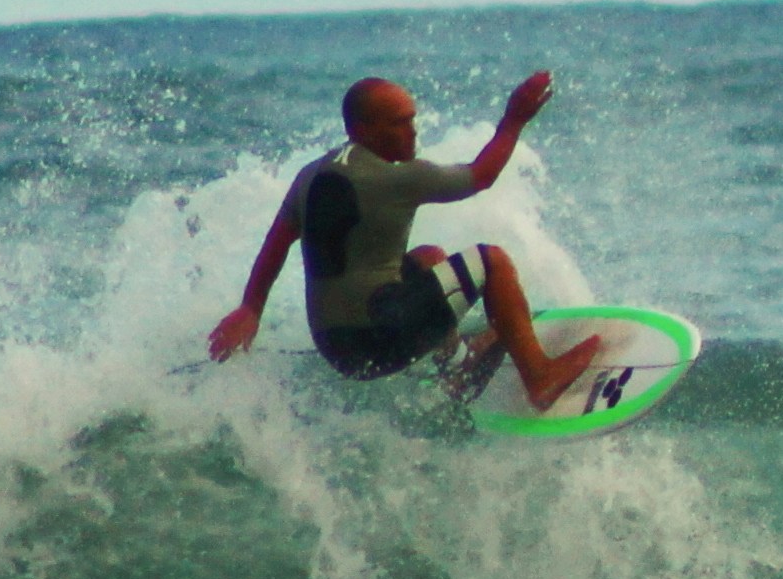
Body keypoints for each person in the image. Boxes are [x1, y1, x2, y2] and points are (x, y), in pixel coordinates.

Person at [207, 71, 610, 408]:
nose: (413, 130)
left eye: (412, 118)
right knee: (492, 262)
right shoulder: (397, 177)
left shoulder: (310, 174)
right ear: (363, 130)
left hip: (336, 347)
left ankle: (457, 366)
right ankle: (540, 378)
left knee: (430, 258)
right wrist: (515, 118)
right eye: (399, 123)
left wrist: (251, 308)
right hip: (377, 341)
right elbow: (482, 175)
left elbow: (277, 242)